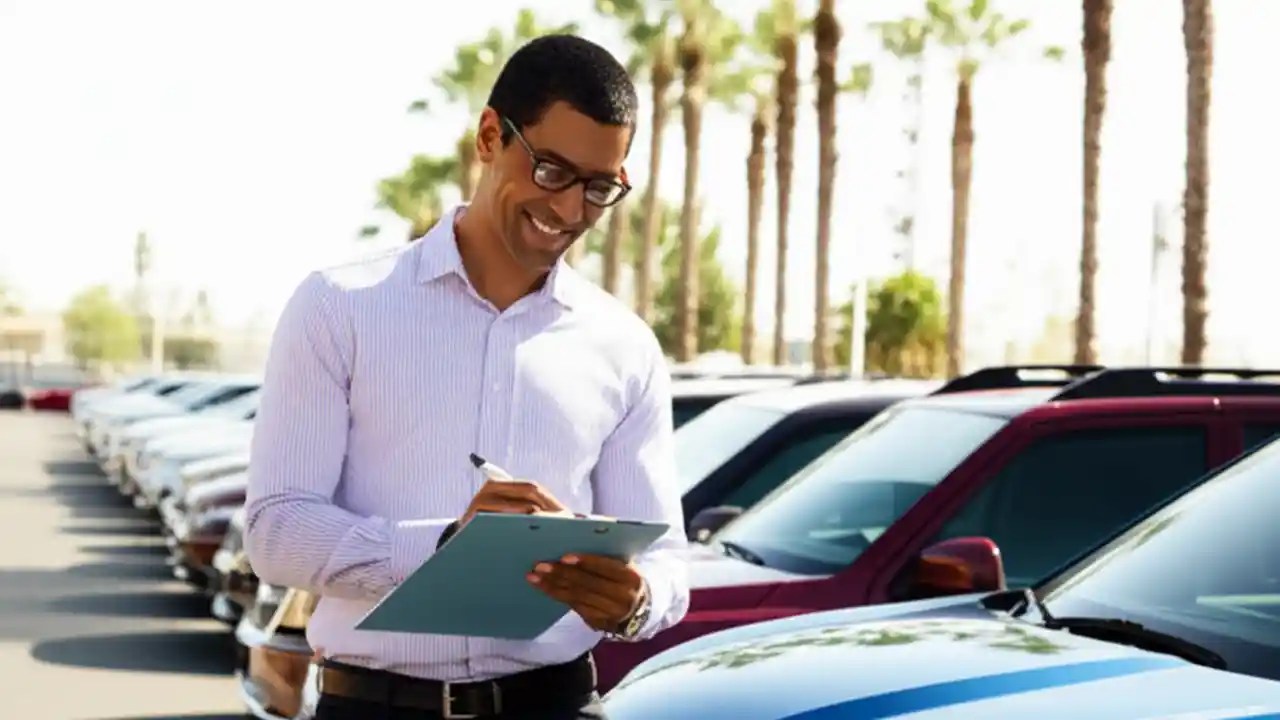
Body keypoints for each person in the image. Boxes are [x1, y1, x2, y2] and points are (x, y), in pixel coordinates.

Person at [244, 33, 689, 720]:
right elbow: (276, 532)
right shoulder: (339, 308)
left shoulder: (625, 347)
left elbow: (666, 563)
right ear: (490, 137)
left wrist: (635, 603)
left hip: (558, 704)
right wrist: (444, 547)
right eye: (551, 172)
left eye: (599, 188)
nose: (571, 211)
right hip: (376, 707)